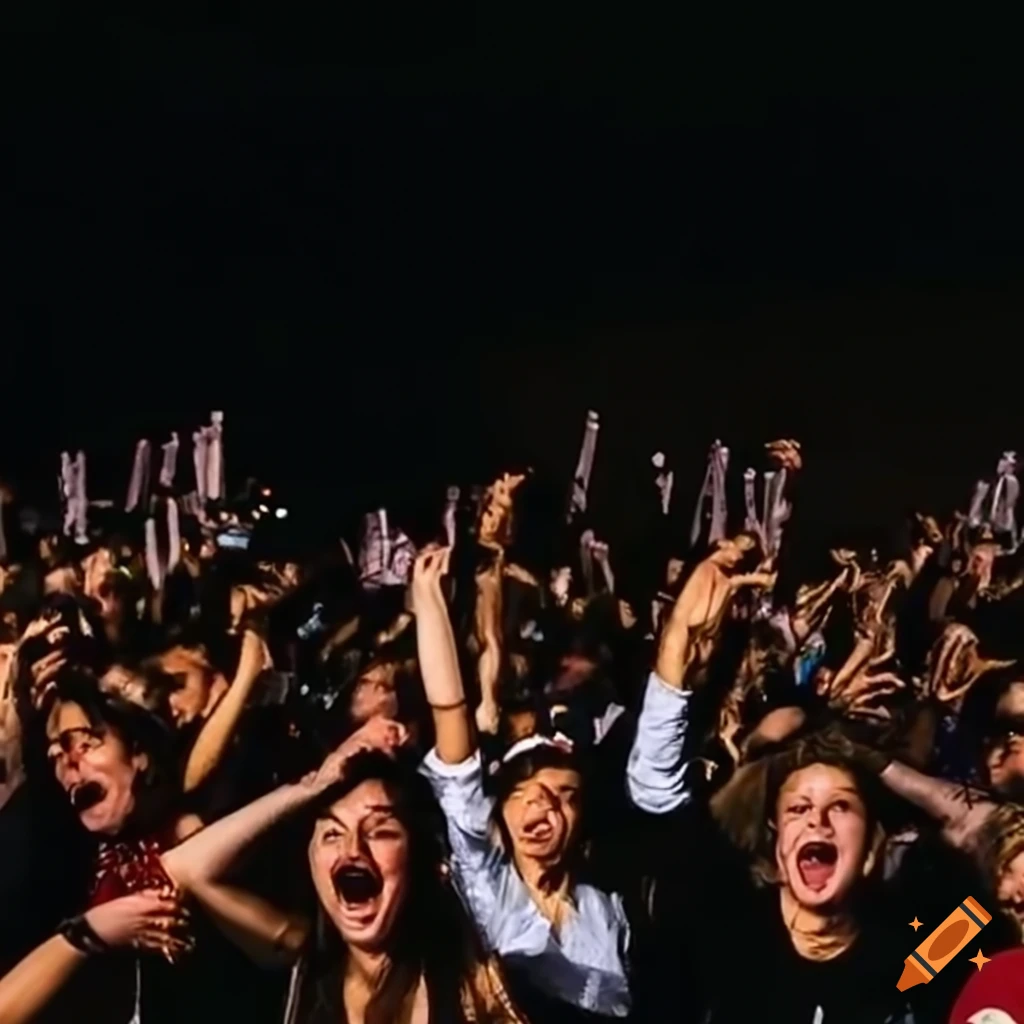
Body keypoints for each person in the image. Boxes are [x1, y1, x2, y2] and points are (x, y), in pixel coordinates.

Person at [158, 715, 526, 1024]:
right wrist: (310, 787)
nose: (352, 851)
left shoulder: (474, 984)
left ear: (423, 858)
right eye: (332, 834)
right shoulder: (305, 965)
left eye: (380, 831)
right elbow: (186, 867)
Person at [411, 545, 631, 1022]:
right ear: (500, 814)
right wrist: (430, 607)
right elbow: (454, 731)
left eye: (564, 796)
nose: (544, 805)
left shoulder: (608, 909)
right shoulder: (485, 884)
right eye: (525, 793)